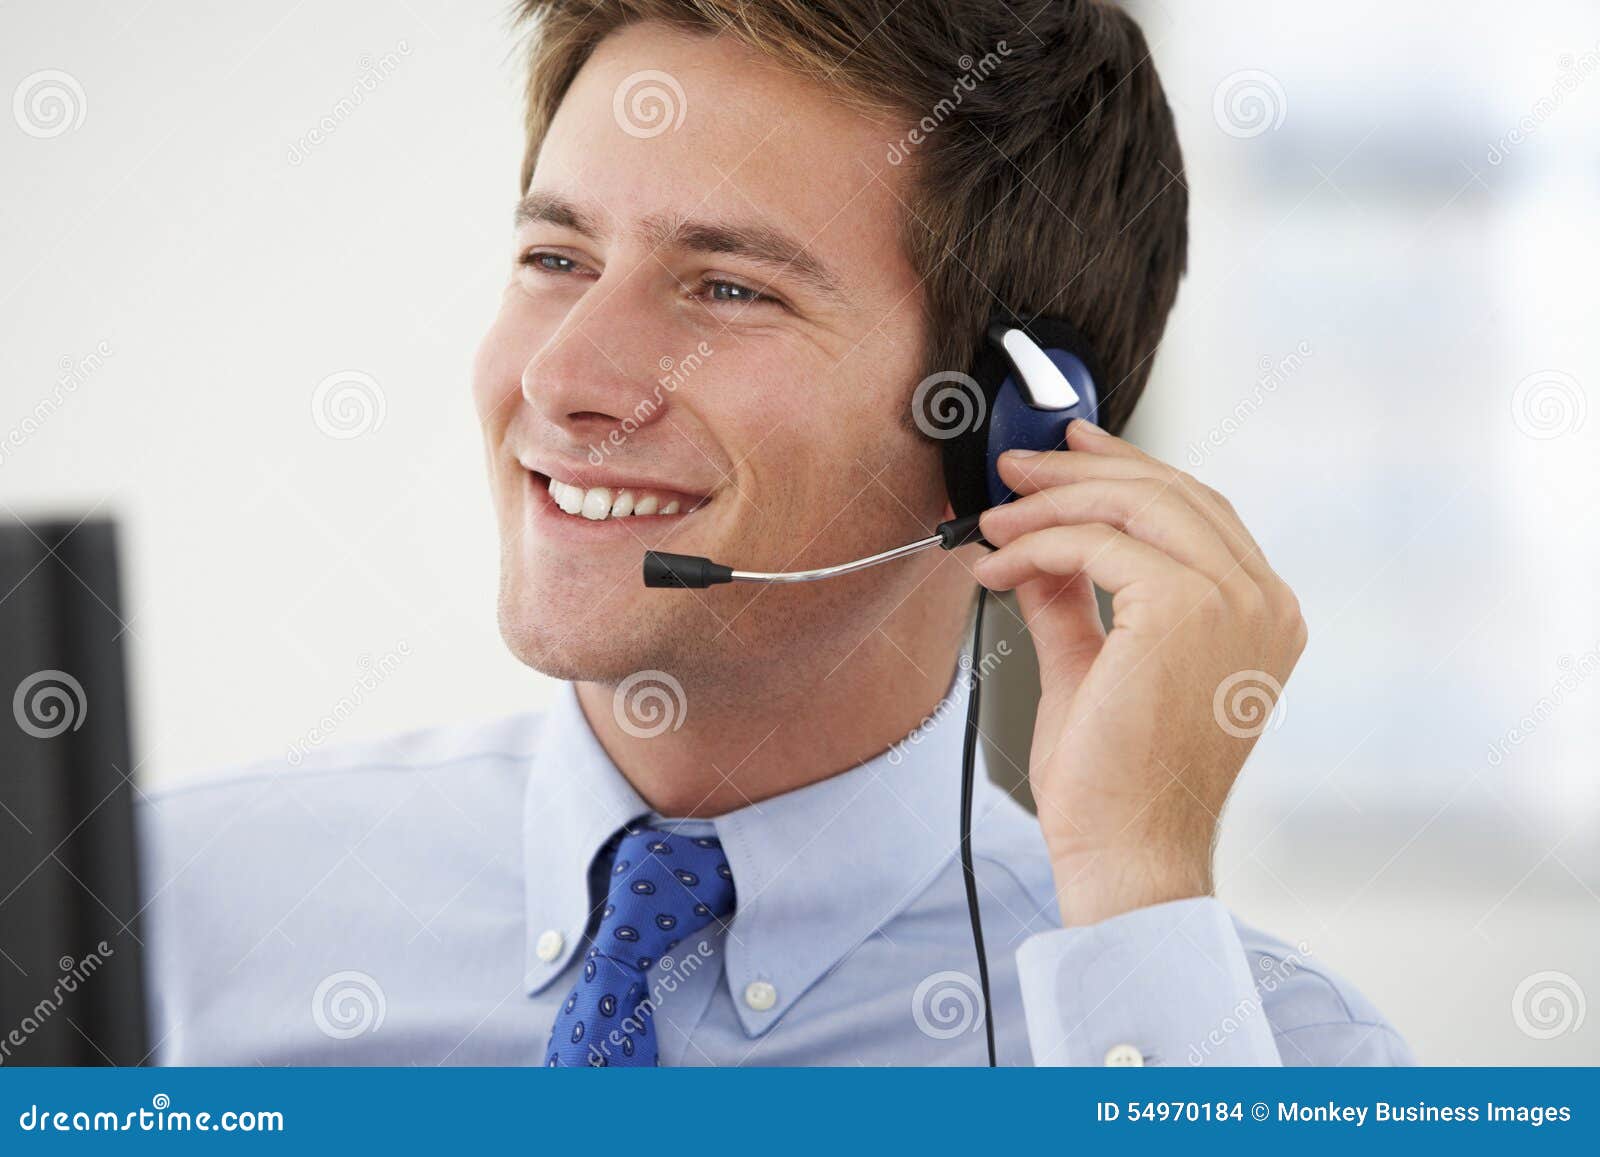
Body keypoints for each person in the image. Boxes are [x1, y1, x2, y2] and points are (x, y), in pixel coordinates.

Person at [140, 0, 1411, 1066]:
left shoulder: (1262, 1051)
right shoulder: (149, 917)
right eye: (556, 258)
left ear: (1003, 437)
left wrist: (1136, 888)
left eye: (729, 288)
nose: (566, 377)